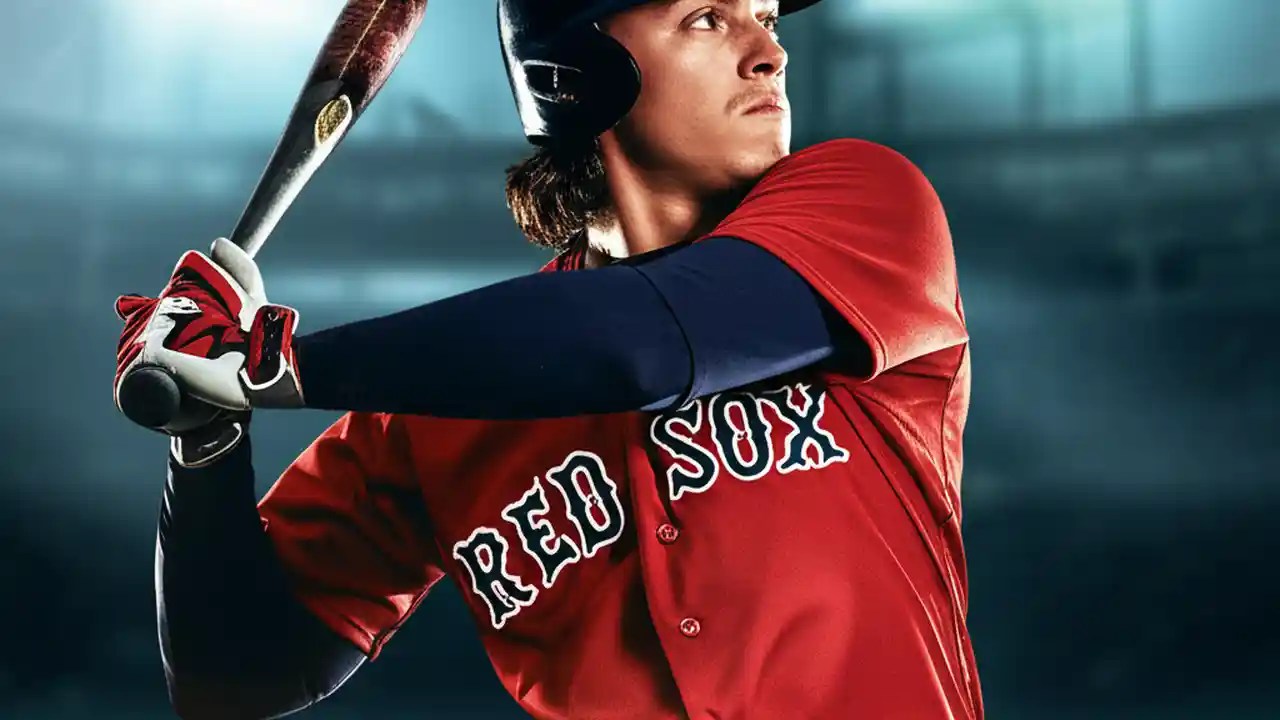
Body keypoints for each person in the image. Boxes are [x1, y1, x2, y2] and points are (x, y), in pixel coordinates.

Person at [113, 0, 983, 717]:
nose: (769, 55)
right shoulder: (433, 405)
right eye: (709, 20)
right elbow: (232, 678)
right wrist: (208, 440)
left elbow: (636, 341)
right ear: (581, 73)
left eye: (767, 19)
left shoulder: (865, 210)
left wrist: (271, 363)